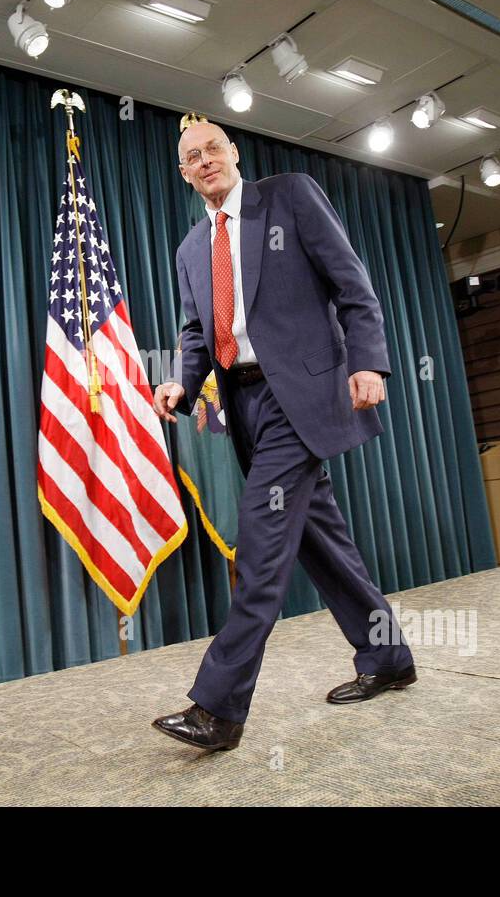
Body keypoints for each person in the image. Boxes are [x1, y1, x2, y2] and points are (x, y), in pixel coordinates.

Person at [150, 118, 414, 751]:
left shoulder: (290, 196)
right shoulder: (191, 249)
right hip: (244, 403)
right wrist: (181, 381)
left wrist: (369, 361)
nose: (206, 160)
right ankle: (389, 657)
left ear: (234, 154)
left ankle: (219, 707)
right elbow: (197, 333)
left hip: (304, 394)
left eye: (214, 148)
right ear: (184, 174)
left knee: (262, 547)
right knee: (319, 542)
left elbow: (351, 284)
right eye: (193, 156)